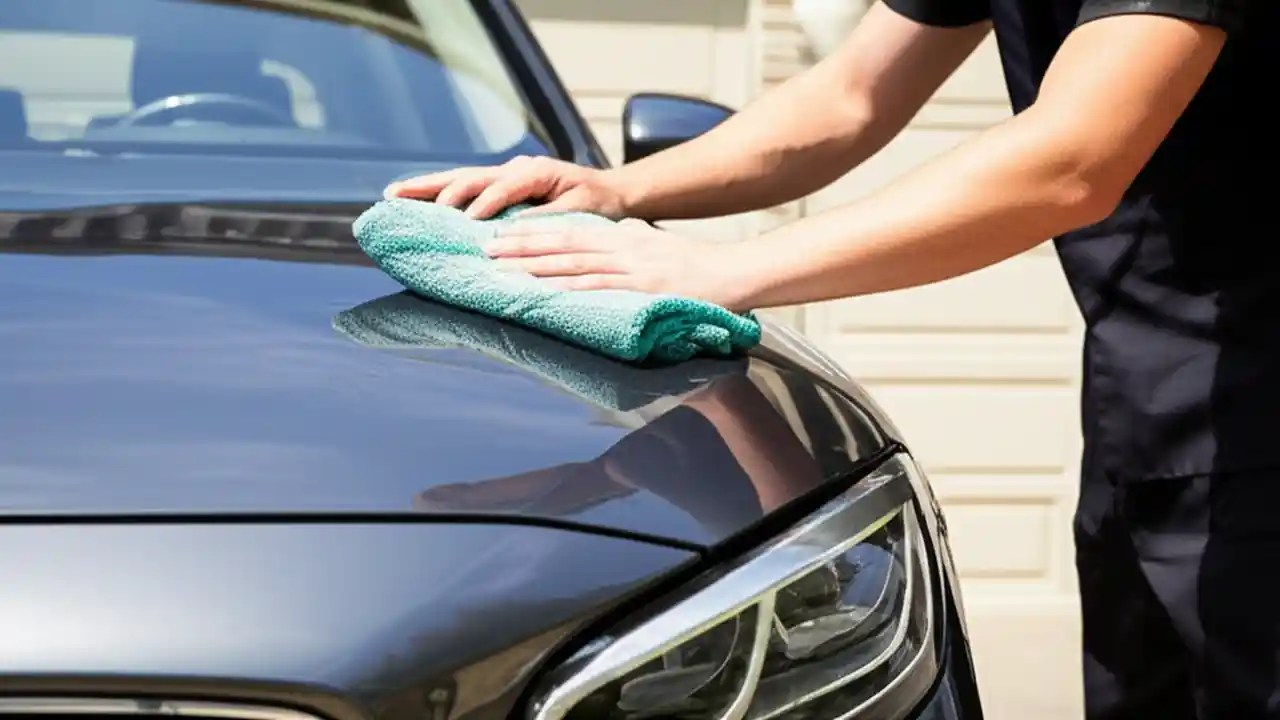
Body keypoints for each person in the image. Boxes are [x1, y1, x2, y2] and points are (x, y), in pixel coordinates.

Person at [386, 1, 1277, 717]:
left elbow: (1074, 159)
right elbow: (850, 93)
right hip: (1146, 402)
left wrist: (724, 271)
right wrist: (622, 189)